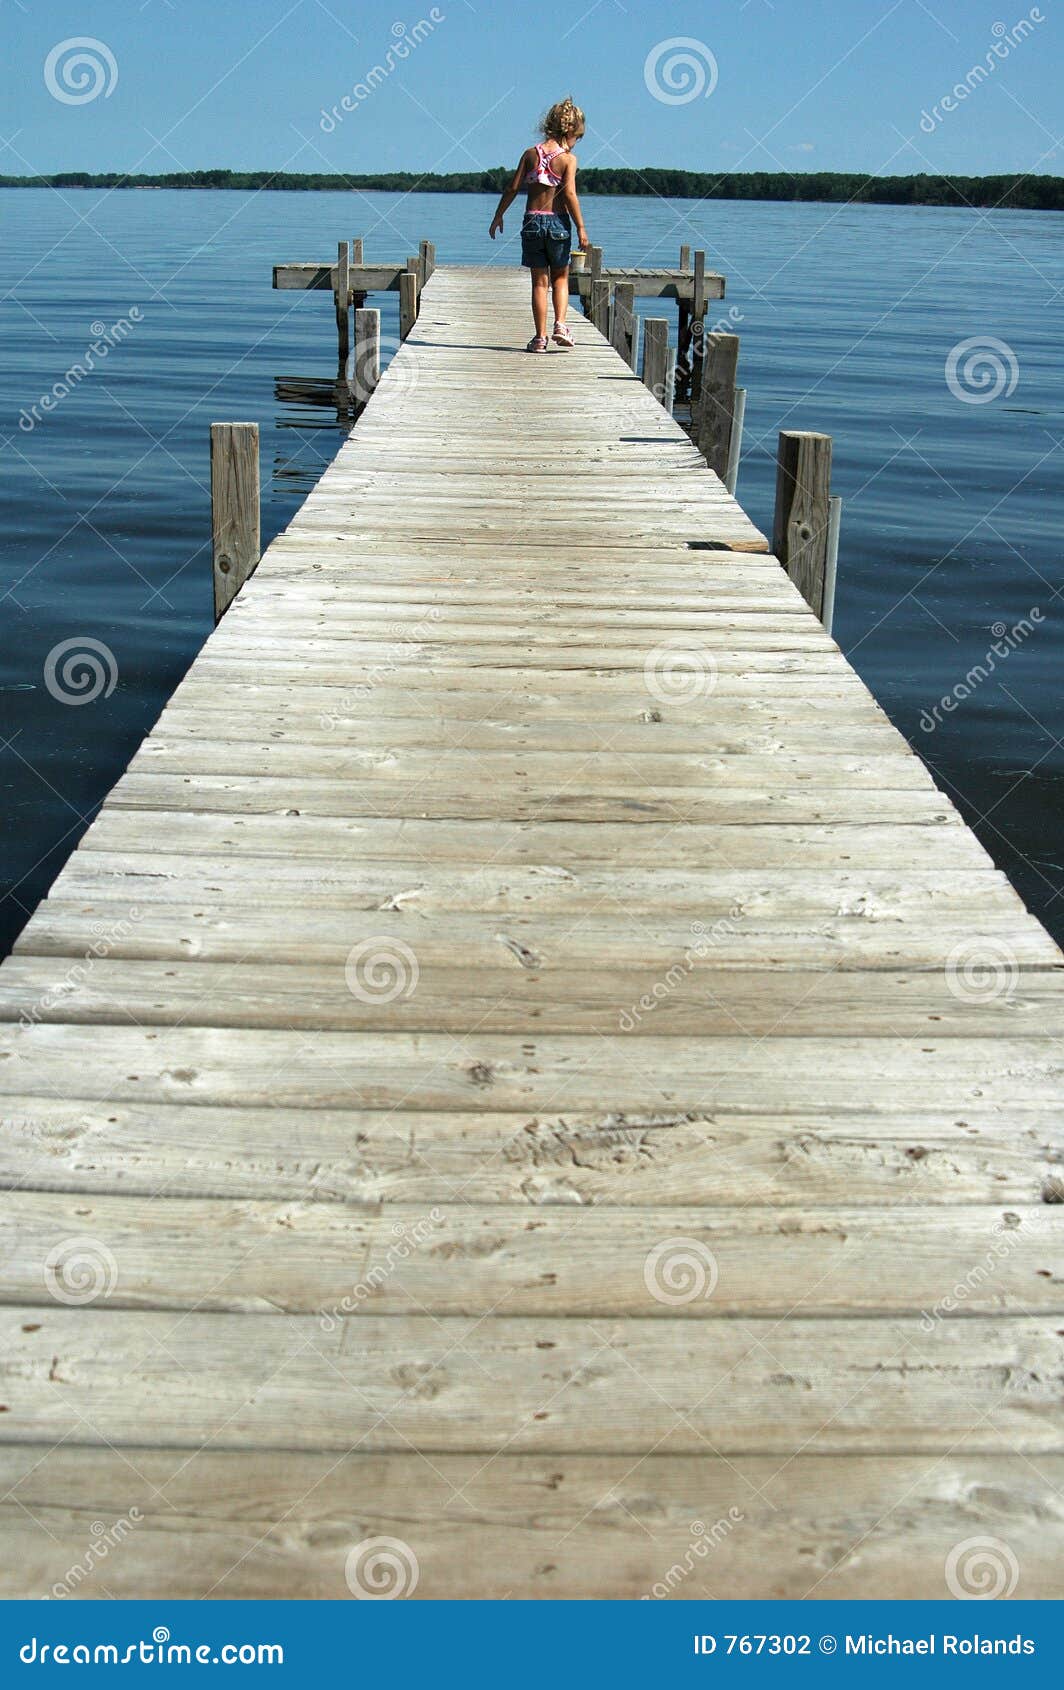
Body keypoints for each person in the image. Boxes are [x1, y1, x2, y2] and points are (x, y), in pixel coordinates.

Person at [489, 97, 590, 352]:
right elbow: (569, 195)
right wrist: (580, 227)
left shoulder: (530, 154)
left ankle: (539, 339)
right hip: (558, 223)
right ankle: (560, 324)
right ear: (569, 132)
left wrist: (498, 215)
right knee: (561, 277)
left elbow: (512, 188)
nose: (577, 142)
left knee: (539, 282)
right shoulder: (568, 160)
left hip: (532, 221)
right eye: (578, 137)